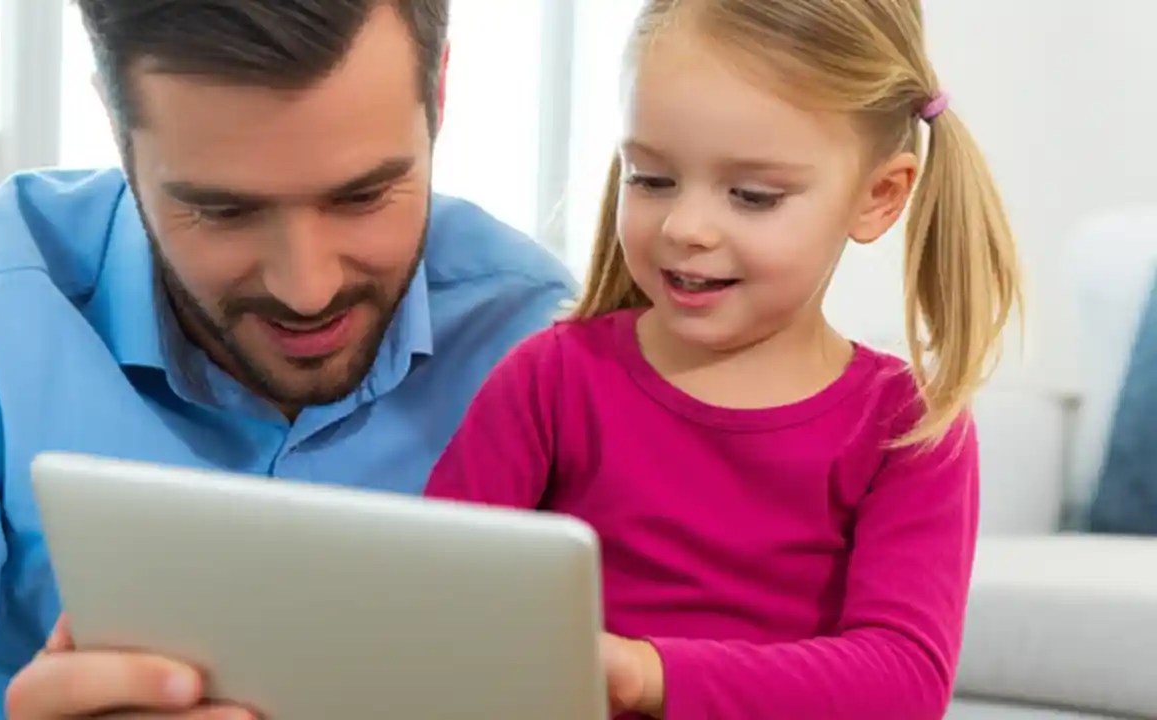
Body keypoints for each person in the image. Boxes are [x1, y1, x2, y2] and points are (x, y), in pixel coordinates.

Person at [0, 2, 575, 719]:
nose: (307, 289)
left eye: (363, 196)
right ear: (119, 133)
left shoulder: (548, 340)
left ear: (440, 93)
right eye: (223, 212)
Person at [425, 0, 1022, 718]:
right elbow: (435, 595)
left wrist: (648, 674)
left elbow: (901, 682)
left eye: (751, 196)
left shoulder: (909, 430)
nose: (686, 228)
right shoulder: (551, 378)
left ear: (879, 197)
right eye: (650, 179)